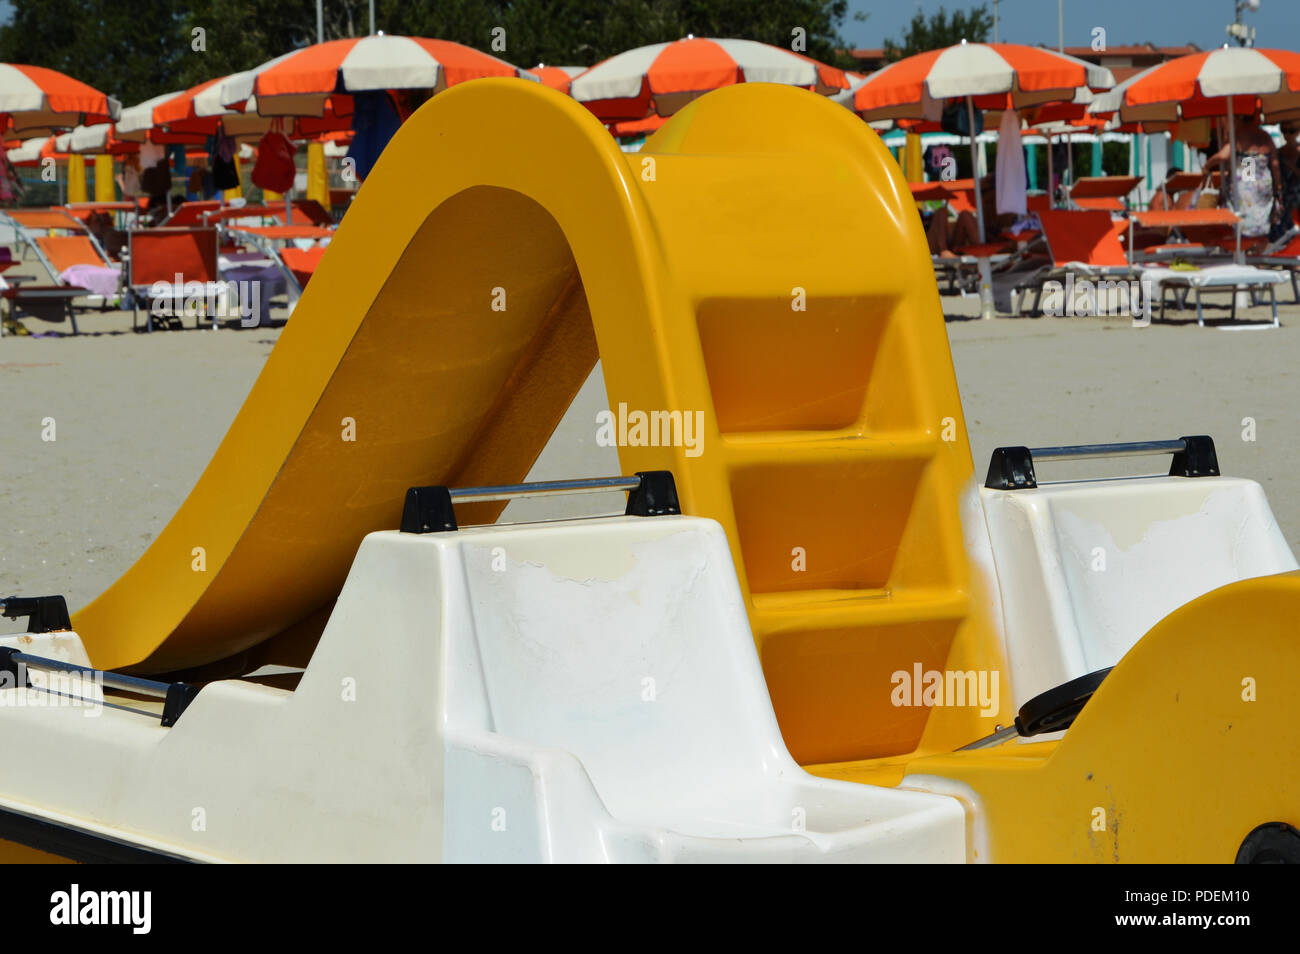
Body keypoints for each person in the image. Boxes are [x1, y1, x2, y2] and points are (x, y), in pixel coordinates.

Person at [1203, 113, 1282, 238]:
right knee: (1260, 213)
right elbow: (1275, 164)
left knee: (1245, 210)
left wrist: (1207, 165)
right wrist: (1277, 187)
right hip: (1263, 175)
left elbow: (1223, 156)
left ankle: (1245, 242)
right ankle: (1258, 241)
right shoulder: (1265, 135)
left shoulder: (1239, 134)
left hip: (1248, 164)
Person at [1271, 120, 1300, 240]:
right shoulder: (1275, 152)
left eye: (1291, 131)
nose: (1286, 135)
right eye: (1283, 131)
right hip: (1282, 202)